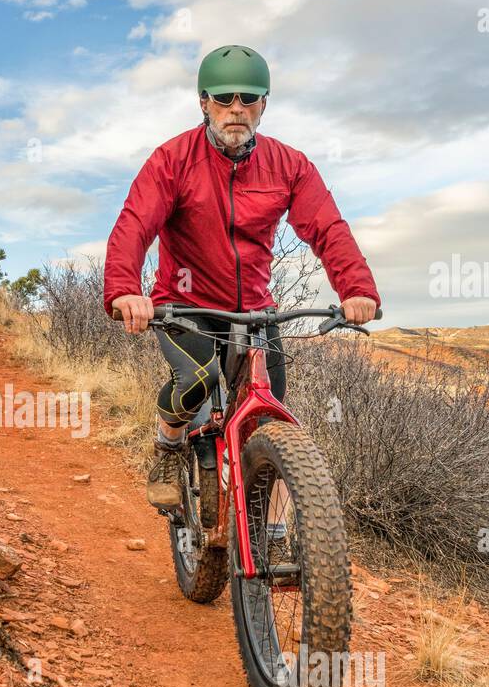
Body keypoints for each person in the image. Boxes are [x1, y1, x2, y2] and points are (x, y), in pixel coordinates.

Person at [103, 44, 382, 507]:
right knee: (198, 378)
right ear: (204, 102)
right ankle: (170, 446)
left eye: (248, 99)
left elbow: (327, 227)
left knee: (271, 420)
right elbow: (135, 223)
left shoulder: (289, 165)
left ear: (263, 106)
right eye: (225, 97)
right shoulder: (172, 160)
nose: (237, 108)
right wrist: (125, 291)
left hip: (254, 308)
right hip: (185, 304)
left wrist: (356, 289)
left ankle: (267, 524)